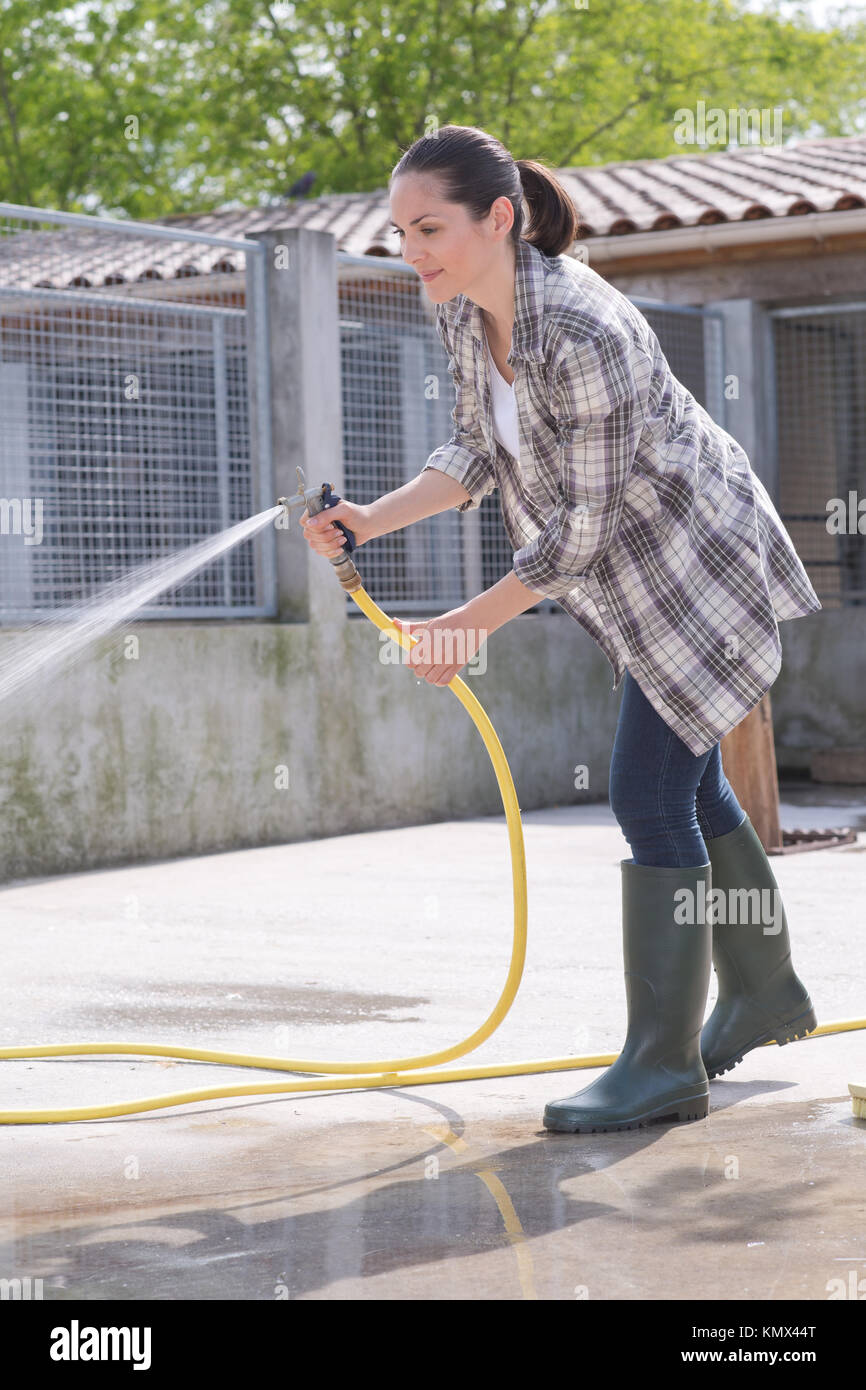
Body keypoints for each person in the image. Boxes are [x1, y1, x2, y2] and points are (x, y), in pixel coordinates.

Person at [301, 124, 819, 1134]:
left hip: (691, 564)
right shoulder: (460, 311)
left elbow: (581, 528)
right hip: (626, 570)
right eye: (401, 231)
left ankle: (661, 1062)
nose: (413, 252)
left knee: (646, 788)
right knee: (690, 781)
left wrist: (462, 624)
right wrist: (368, 516)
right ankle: (762, 991)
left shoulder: (583, 327)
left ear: (499, 219)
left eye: (431, 228)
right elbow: (469, 450)